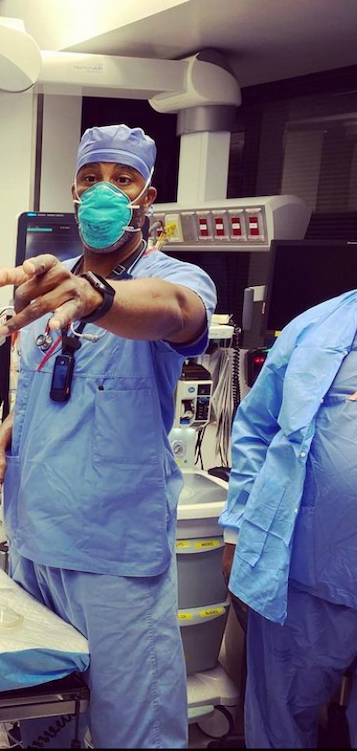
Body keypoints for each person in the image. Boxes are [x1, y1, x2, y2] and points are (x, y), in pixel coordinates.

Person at [0, 125, 217, 748]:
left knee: (134, 733)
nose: (104, 191)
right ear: (74, 193)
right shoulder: (51, 285)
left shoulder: (170, 279)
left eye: (122, 180)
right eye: (91, 178)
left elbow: (177, 312)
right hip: (34, 545)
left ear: (146, 197)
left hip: (114, 560)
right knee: (42, 726)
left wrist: (98, 297)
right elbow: (54, 389)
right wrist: (2, 437)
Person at [221, 290, 357, 749]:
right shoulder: (314, 328)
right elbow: (255, 430)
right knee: (280, 718)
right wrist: (237, 531)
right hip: (306, 570)